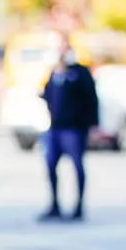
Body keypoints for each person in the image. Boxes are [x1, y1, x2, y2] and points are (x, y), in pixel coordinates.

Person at [39, 34, 99, 221]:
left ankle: (79, 206)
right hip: (55, 127)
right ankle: (55, 204)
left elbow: (91, 99)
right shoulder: (54, 73)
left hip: (74, 128)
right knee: (50, 165)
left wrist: (92, 126)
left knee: (77, 165)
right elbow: (48, 95)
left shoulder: (80, 73)